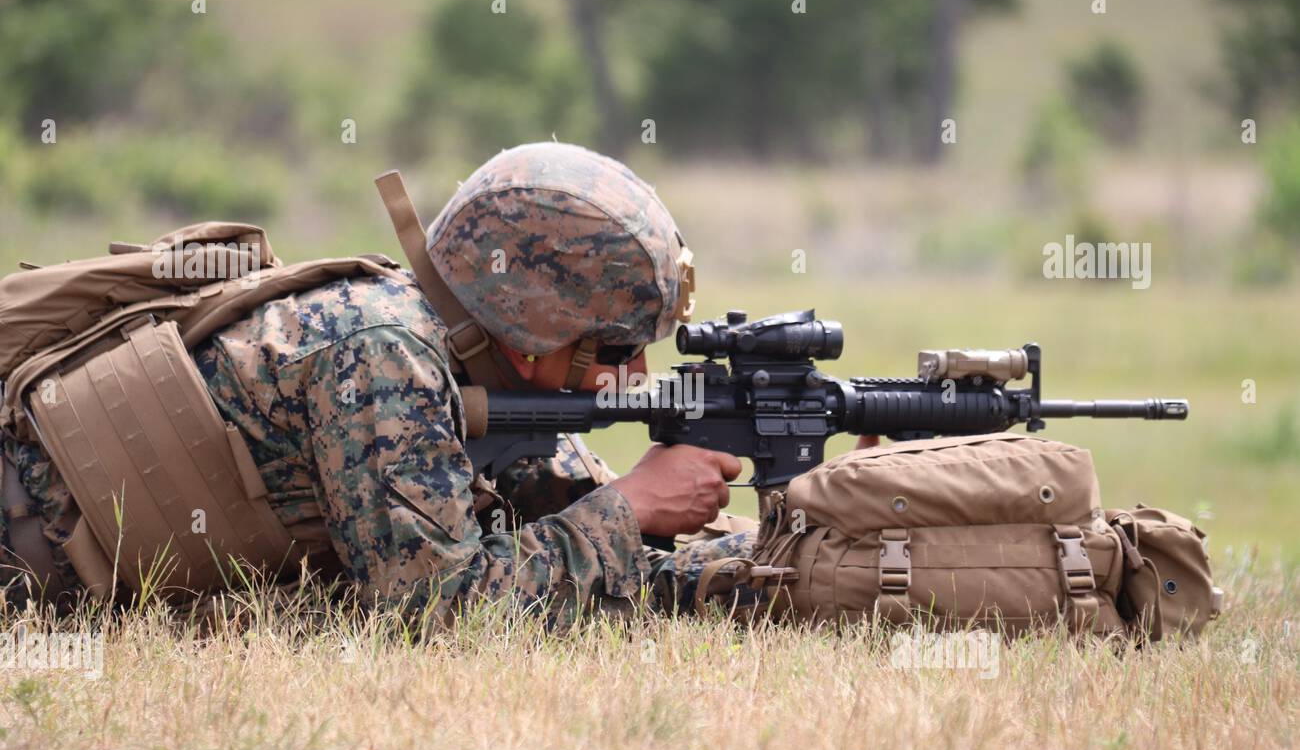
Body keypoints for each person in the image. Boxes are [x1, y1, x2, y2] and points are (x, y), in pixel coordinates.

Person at [1, 142, 756, 622]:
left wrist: (820, 517)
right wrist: (630, 507)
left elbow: (561, 538)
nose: (634, 377)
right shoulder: (382, 350)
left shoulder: (460, 353)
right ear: (535, 332)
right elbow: (437, 609)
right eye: (618, 346)